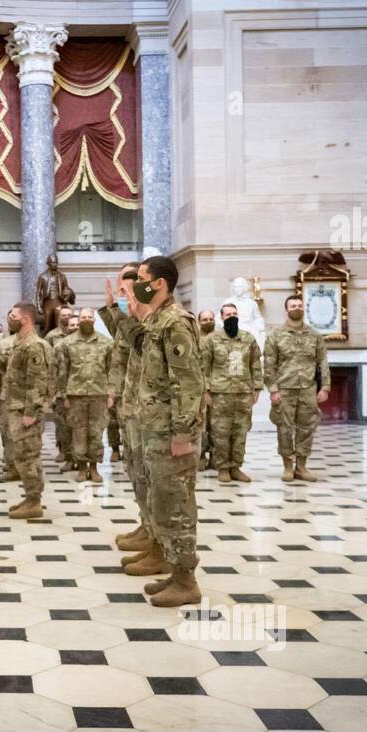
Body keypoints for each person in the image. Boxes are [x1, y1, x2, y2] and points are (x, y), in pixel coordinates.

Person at [131, 256, 205, 607]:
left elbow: (188, 381)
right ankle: (173, 570)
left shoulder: (176, 322)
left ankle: (186, 579)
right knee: (162, 500)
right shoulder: (156, 320)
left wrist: (182, 433)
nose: (137, 284)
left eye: (142, 278)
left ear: (159, 283)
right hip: (155, 428)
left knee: (177, 503)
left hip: (171, 432)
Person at [102, 262, 168, 577]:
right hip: (135, 408)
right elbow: (125, 344)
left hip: (154, 416)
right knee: (138, 474)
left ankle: (160, 544)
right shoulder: (139, 321)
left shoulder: (163, 322)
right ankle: (148, 529)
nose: (127, 290)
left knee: (155, 482)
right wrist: (115, 307)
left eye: (131, 284)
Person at [265, 295, 330, 482]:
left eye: (300, 305)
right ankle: (287, 465)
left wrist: (325, 387)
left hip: (308, 389)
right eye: (293, 305)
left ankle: (301, 466)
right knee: (284, 428)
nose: (297, 308)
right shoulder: (275, 335)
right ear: (286, 309)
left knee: (307, 428)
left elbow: (322, 362)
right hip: (285, 388)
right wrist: (273, 389)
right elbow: (269, 364)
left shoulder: (315, 335)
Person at [202, 302, 262, 483]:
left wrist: (257, 387)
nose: (231, 317)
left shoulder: (248, 339)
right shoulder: (212, 339)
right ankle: (223, 468)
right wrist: (206, 391)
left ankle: (236, 467)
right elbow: (204, 367)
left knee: (240, 431)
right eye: (228, 314)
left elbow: (255, 365)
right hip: (220, 394)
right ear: (222, 317)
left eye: (234, 313)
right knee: (220, 432)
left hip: (243, 393)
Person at [4, 303, 53, 519]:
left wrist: (31, 412)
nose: (10, 319)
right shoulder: (20, 342)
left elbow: (38, 381)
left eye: (13, 316)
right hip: (17, 406)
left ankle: (34, 501)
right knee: (22, 455)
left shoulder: (34, 345)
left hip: (26, 410)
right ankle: (30, 496)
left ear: (25, 319)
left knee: (29, 455)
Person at [58, 307, 111, 483]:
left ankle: (94, 468)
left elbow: (112, 369)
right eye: (83, 317)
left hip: (99, 394)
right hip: (76, 395)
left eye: (89, 317)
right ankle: (81, 468)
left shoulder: (106, 343)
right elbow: (63, 371)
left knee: (96, 432)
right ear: (78, 320)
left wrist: (111, 393)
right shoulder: (67, 343)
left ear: (94, 320)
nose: (86, 320)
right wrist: (63, 395)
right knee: (79, 432)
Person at [0, 309, 18, 482]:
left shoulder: (33, 340)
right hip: (5, 393)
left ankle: (23, 466)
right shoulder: (0, 341)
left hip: (24, 394)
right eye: (11, 317)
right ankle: (11, 464)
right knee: (6, 431)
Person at [45, 306, 75, 466]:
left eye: (69, 315)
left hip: (78, 387)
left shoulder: (78, 335)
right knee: (61, 423)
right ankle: (63, 450)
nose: (66, 317)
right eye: (64, 315)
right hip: (60, 387)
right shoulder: (52, 336)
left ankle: (76, 455)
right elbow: (50, 364)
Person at [196, 309, 216, 471]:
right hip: (199, 389)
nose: (208, 321)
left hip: (218, 389)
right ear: (199, 321)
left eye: (211, 319)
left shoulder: (220, 339)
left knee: (216, 426)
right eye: (204, 319)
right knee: (201, 427)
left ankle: (215, 458)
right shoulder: (194, 340)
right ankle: (201, 456)